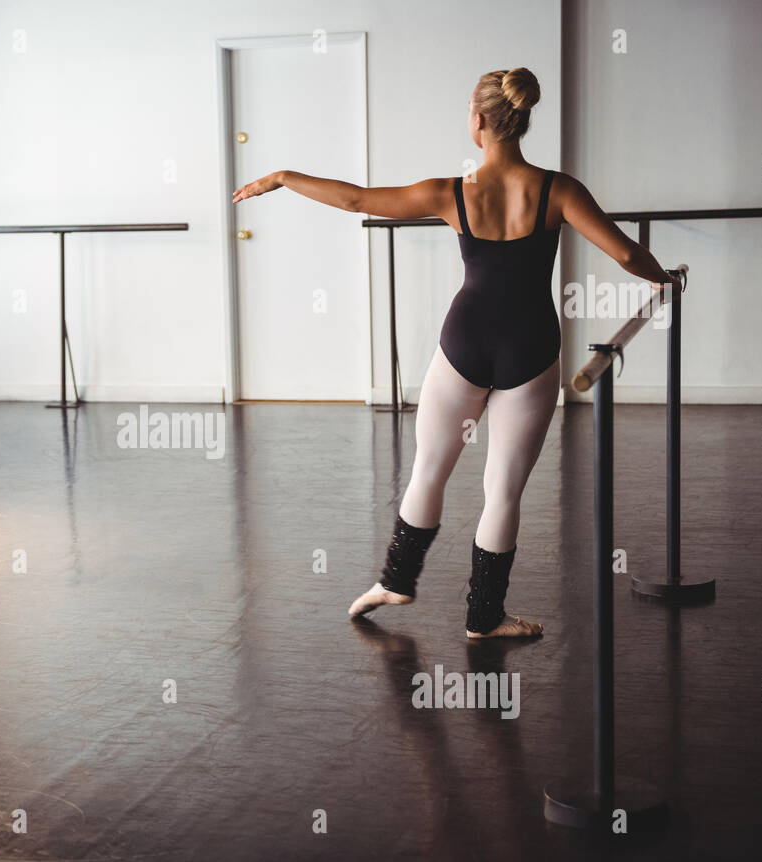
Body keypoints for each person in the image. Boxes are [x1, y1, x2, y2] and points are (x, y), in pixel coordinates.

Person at [232, 67, 675, 638]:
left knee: (429, 471)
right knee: (504, 491)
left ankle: (396, 580)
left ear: (480, 121)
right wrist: (666, 278)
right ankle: (484, 618)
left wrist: (283, 177)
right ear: (522, 120)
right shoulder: (557, 190)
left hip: (465, 341)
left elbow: (354, 198)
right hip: (531, 348)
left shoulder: (453, 192)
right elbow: (625, 255)